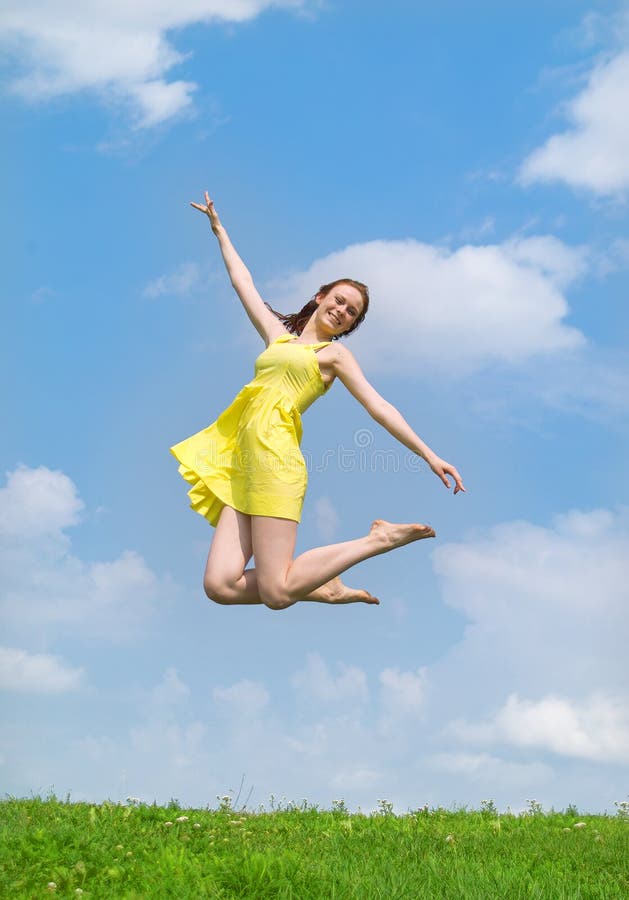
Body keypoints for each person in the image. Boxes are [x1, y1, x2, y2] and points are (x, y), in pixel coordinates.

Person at [169, 192, 466, 611]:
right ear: (321, 295)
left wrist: (429, 454)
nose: (343, 310)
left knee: (276, 594)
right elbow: (244, 283)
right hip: (242, 465)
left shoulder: (333, 357)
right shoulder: (278, 338)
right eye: (339, 300)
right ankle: (323, 586)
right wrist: (219, 230)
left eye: (352, 313)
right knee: (220, 585)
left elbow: (379, 407)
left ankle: (376, 540)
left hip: (274, 459)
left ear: (350, 327)